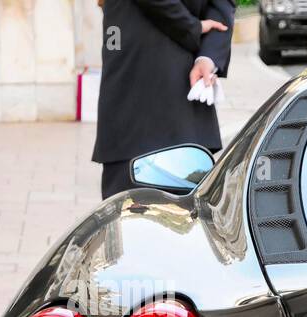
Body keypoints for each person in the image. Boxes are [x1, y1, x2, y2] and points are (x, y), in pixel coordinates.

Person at [93, 1, 237, 199]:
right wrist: (192, 28)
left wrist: (208, 57)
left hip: (185, 91)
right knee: (130, 208)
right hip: (136, 81)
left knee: (187, 209)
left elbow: (221, 5)